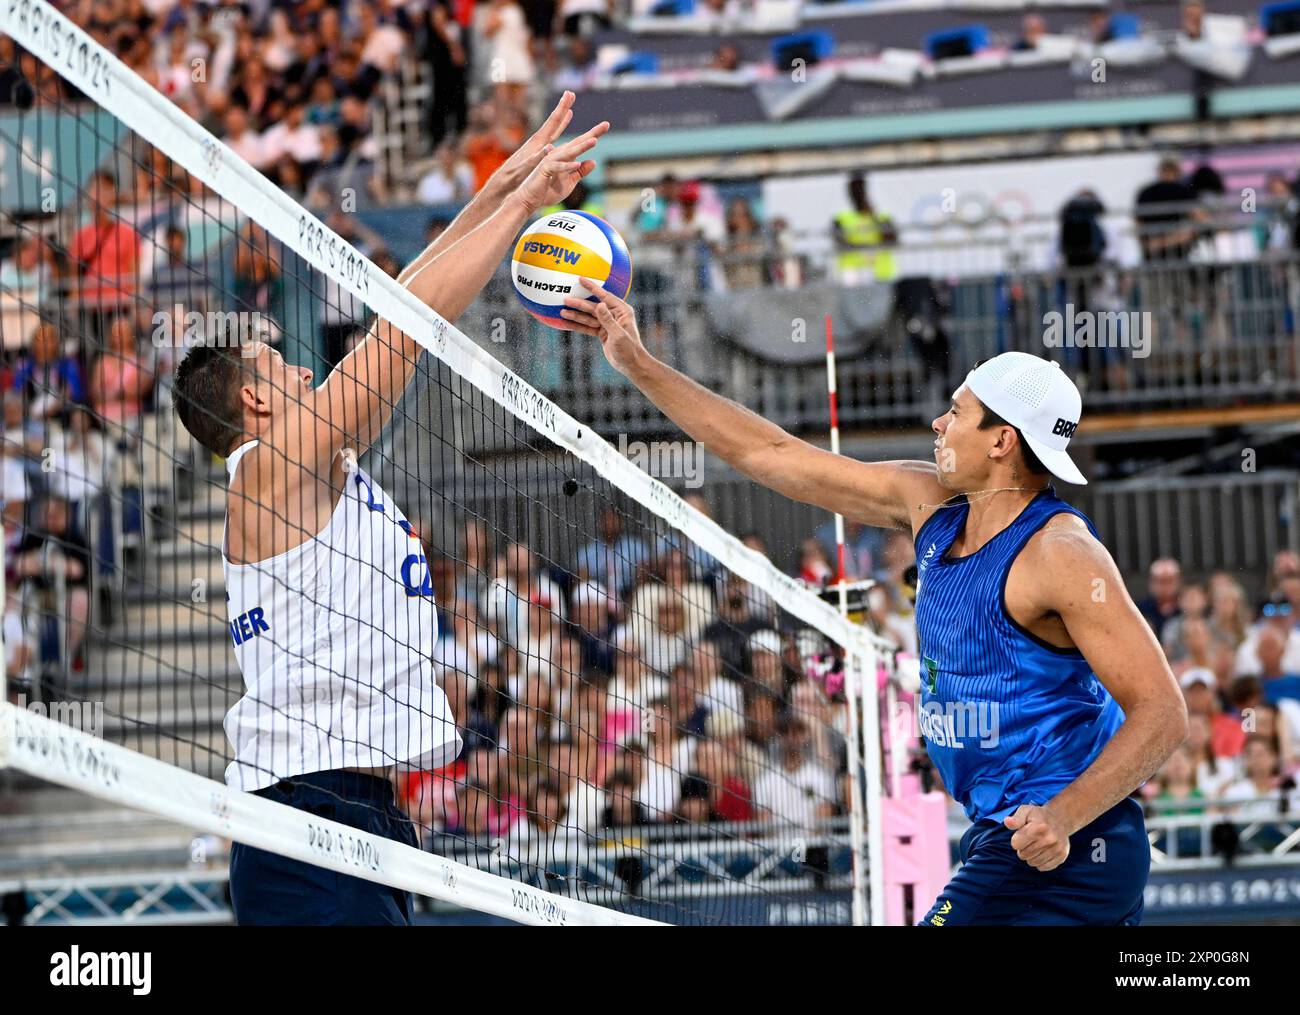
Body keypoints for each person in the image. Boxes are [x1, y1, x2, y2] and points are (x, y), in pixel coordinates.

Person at [562, 284, 1186, 926]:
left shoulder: (1060, 553)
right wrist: (636, 362)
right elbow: (769, 454)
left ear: (1002, 441)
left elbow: (1164, 712)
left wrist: (1064, 815)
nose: (939, 423)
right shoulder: (928, 504)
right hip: (1010, 832)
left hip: (1064, 841)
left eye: (957, 412)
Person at [169, 92, 607, 925]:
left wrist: (508, 183)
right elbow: (400, 329)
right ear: (256, 403)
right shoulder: (268, 471)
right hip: (307, 817)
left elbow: (402, 302)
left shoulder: (321, 466)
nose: (307, 372)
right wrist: (521, 206)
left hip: (358, 811)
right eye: (287, 365)